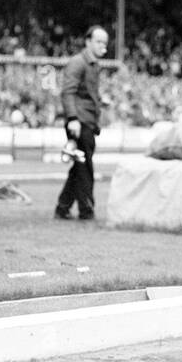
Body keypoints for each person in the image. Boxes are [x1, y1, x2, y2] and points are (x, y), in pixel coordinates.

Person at [54, 25, 108, 221]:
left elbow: (86, 94)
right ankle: (86, 210)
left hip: (87, 122)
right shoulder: (78, 63)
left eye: (105, 42)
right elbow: (67, 92)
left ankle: (63, 207)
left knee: (79, 167)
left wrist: (101, 101)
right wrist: (73, 119)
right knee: (85, 167)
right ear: (88, 42)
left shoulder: (94, 65)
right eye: (99, 42)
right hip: (79, 122)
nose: (104, 46)